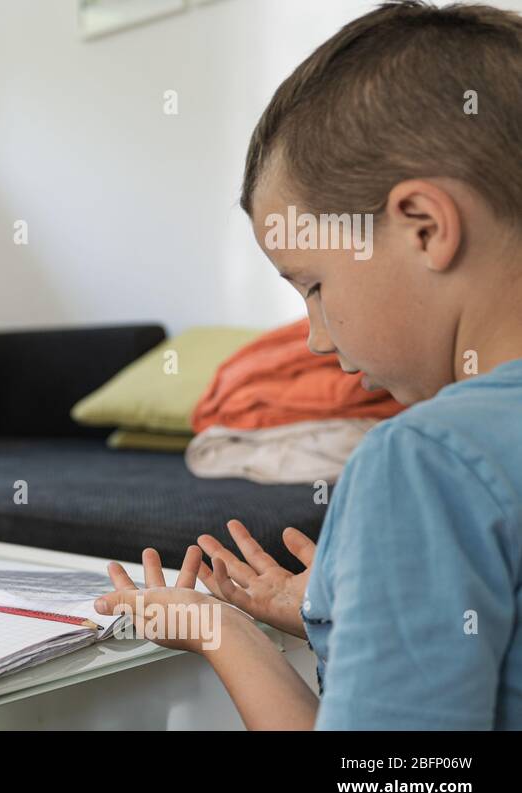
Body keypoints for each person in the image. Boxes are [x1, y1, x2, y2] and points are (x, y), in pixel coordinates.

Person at [95, 1, 522, 729]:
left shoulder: (422, 462)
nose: (318, 338)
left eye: (314, 286)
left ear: (425, 226)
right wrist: (354, 617)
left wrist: (220, 631)